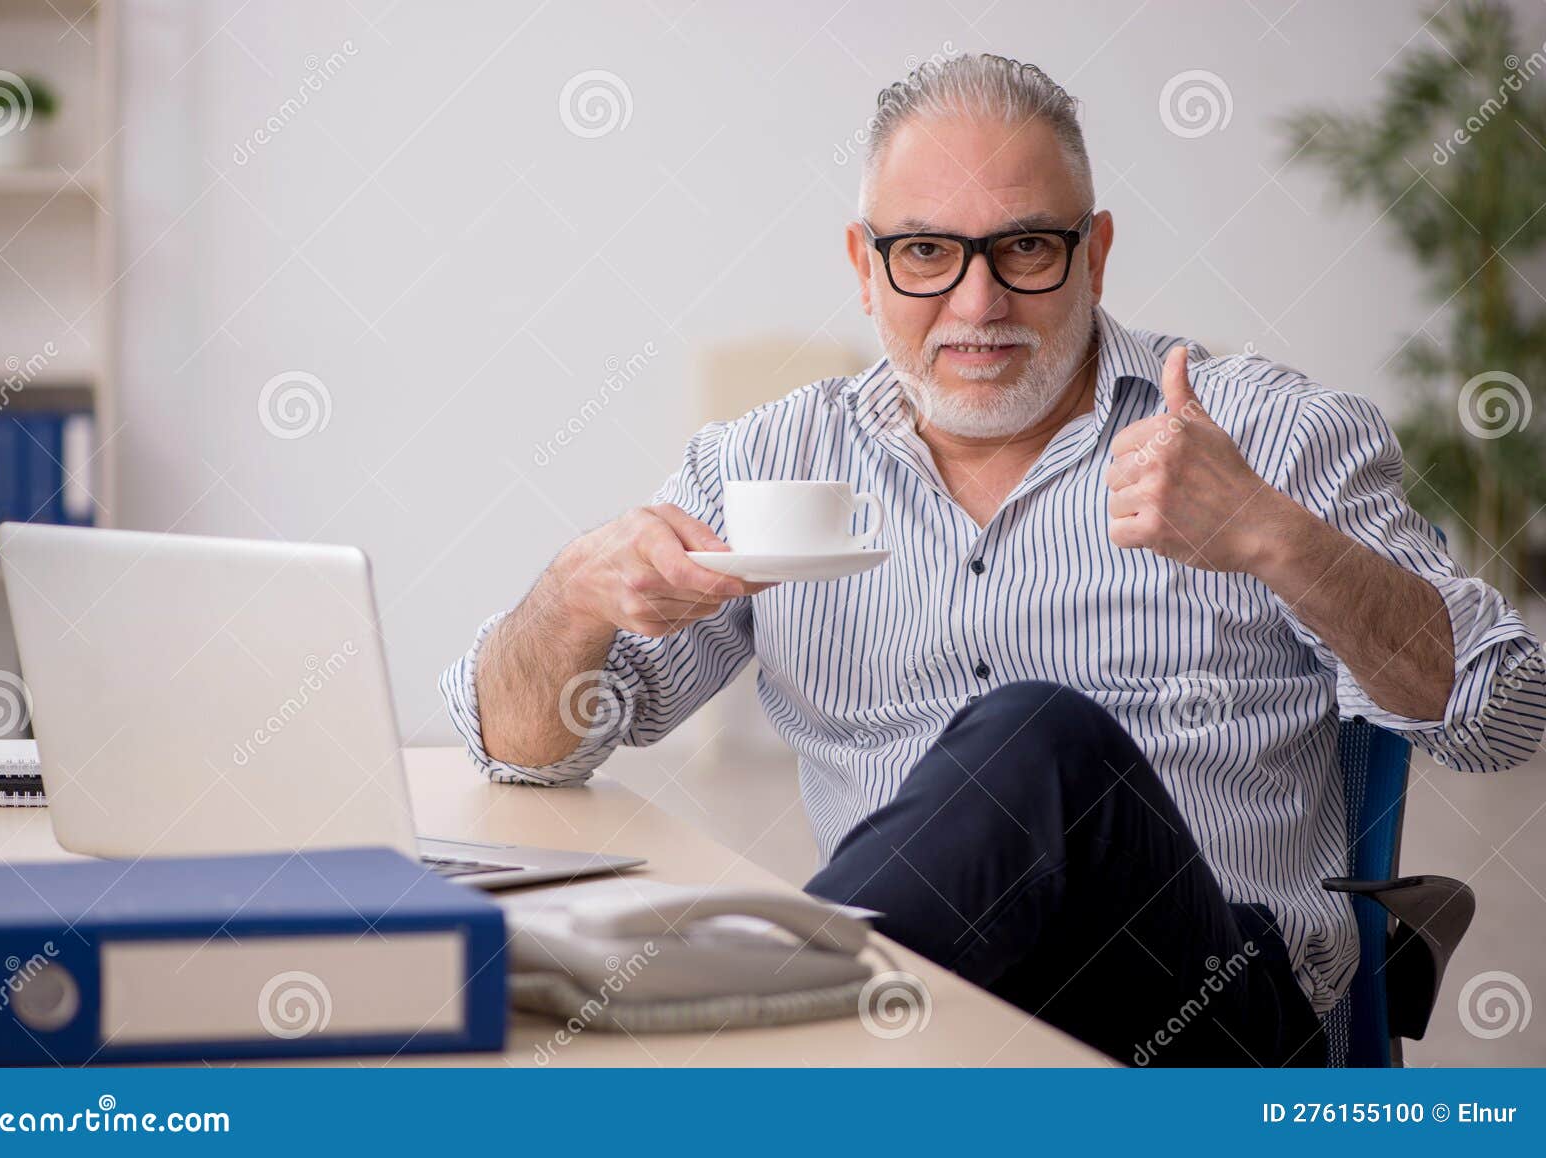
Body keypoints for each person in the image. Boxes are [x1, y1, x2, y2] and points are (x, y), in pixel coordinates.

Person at [441, 54, 1544, 1065]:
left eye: (1025, 246)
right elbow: (526, 750)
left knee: (1037, 736)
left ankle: (759, 1053)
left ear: (1095, 252)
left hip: (1200, 1029)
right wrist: (577, 591)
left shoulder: (1261, 435)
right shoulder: (767, 463)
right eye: (925, 251)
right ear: (863, 267)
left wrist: (1271, 534)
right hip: (929, 1031)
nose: (977, 304)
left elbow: (1502, 714)